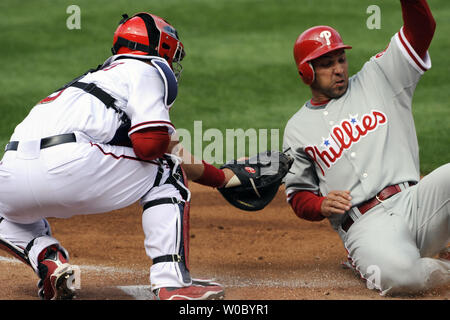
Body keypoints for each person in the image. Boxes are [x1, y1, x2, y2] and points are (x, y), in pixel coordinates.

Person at [0, 12, 234, 300]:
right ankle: (172, 282)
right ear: (161, 49)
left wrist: (222, 179)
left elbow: (168, 144)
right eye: (171, 55)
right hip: (71, 167)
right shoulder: (148, 68)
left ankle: (45, 257)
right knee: (166, 170)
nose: (172, 63)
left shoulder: (92, 83)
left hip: (9, 175)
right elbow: (152, 145)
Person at [283, 0, 449, 295]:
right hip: (367, 227)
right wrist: (320, 205)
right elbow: (298, 195)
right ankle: (417, 265)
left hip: (417, 203)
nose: (338, 70)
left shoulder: (379, 76)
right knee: (402, 280)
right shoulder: (297, 129)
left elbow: (422, 30)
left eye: (340, 60)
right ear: (306, 73)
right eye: (326, 64)